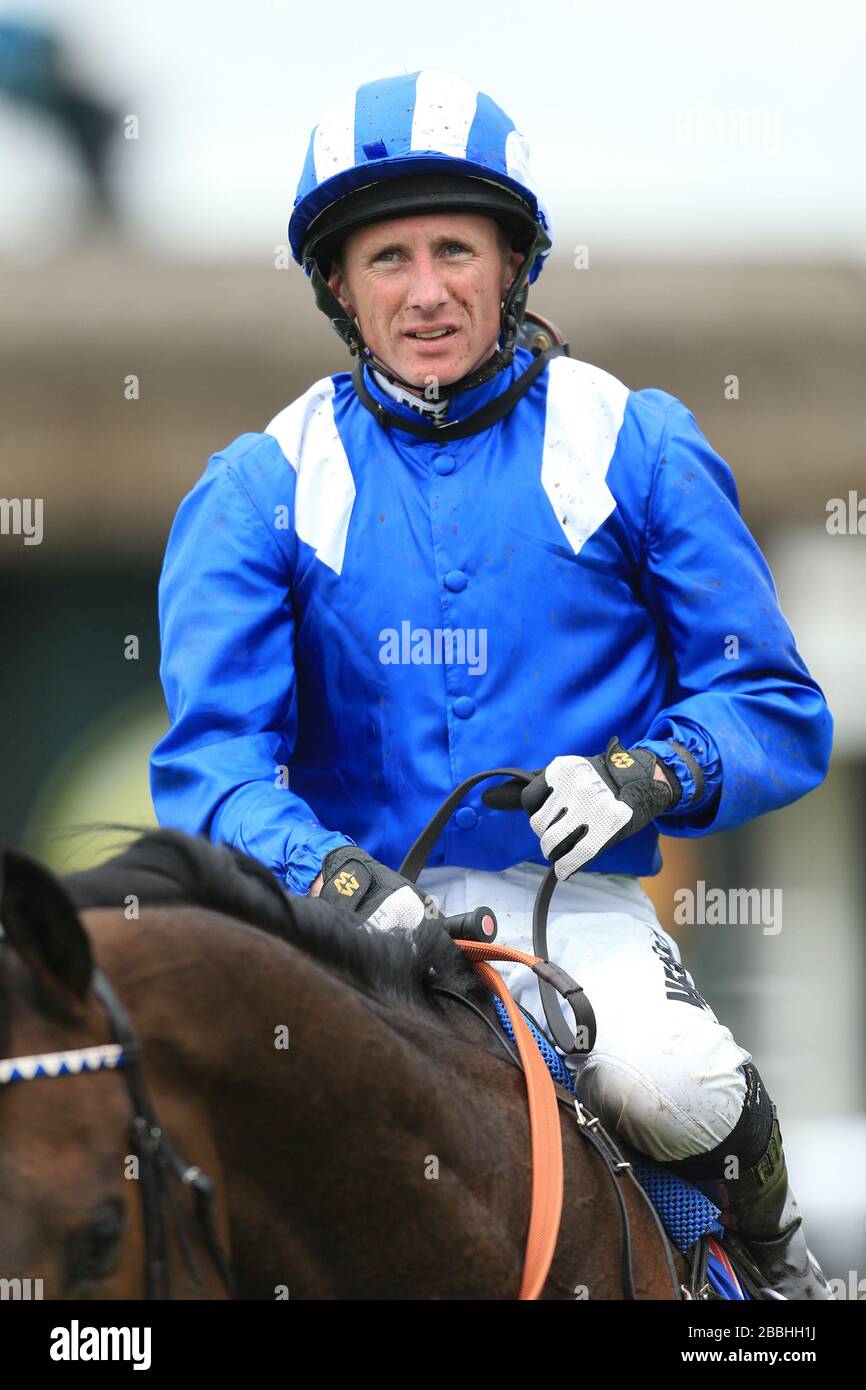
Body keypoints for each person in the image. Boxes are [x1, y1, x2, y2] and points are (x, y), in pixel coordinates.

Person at [151, 70, 834, 1299]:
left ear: (511, 265)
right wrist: (341, 878)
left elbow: (776, 706)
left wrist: (647, 772)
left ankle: (770, 1282)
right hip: (340, 928)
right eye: (388, 258)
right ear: (336, 288)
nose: (425, 291)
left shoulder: (637, 440)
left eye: (454, 250)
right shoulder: (258, 485)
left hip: (565, 916)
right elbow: (209, 775)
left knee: (668, 1080)